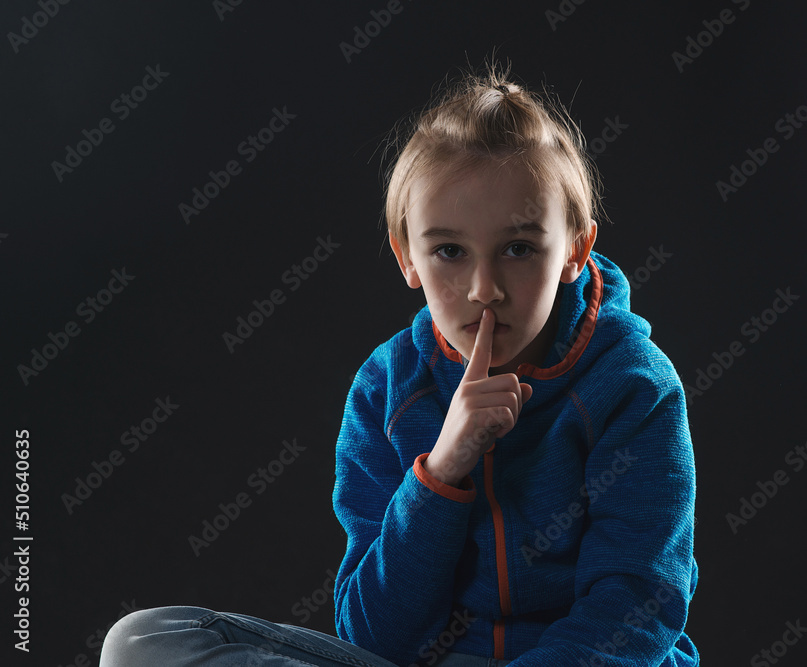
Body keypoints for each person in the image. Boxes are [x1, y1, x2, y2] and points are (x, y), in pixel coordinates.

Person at [100, 62, 698, 667]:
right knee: (142, 643)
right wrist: (442, 471)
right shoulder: (385, 389)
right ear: (406, 257)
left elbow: (638, 606)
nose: (483, 288)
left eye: (518, 249)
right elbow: (372, 636)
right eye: (448, 252)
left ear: (574, 251)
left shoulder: (634, 386)